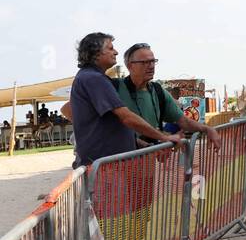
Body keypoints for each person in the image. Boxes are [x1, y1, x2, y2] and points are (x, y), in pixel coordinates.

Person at [66, 32, 182, 168]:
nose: (115, 52)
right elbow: (126, 117)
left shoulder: (92, 77)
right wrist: (164, 137)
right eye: (110, 48)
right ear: (95, 53)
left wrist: (143, 144)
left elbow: (112, 126)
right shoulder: (94, 79)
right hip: (105, 166)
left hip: (108, 164)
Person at [112, 43, 221, 149]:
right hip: (115, 161)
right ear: (130, 65)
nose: (151, 66)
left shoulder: (158, 91)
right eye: (145, 62)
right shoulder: (114, 88)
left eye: (153, 61)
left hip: (147, 160)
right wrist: (162, 138)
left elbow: (184, 121)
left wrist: (207, 129)